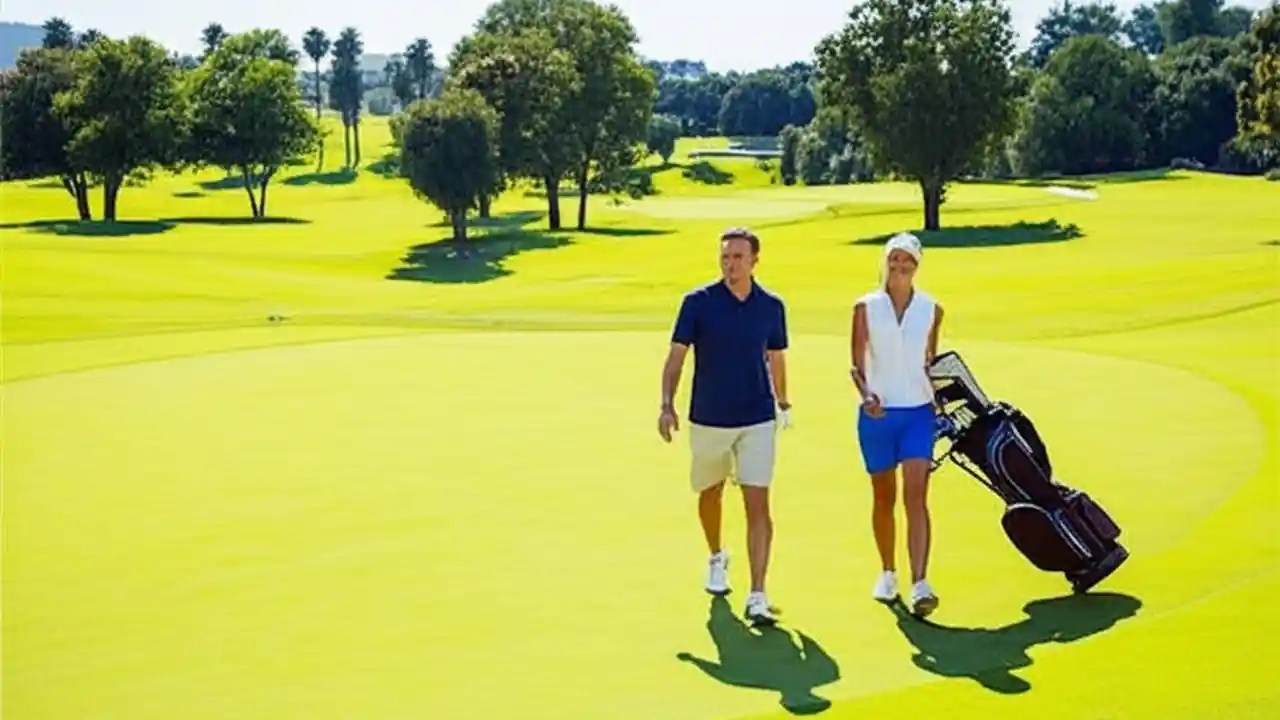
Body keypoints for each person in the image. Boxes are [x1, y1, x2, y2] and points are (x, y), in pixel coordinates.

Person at [658, 227, 791, 627]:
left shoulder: (771, 306)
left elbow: (777, 356)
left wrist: (783, 402)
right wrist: (667, 405)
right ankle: (717, 555)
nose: (730, 264)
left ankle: (758, 594)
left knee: (758, 502)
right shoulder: (697, 303)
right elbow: (676, 358)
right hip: (709, 417)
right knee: (710, 492)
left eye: (737, 257)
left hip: (757, 418)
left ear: (754, 261)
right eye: (725, 257)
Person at [849, 231, 944, 618]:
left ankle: (921, 582)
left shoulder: (932, 309)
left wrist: (942, 403)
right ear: (885, 263)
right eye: (894, 260)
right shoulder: (865, 307)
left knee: (916, 496)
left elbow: (932, 361)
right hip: (879, 415)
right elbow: (856, 364)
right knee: (884, 496)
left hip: (920, 413)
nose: (900, 268)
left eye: (908, 262)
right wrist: (866, 395)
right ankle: (888, 572)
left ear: (917, 266)